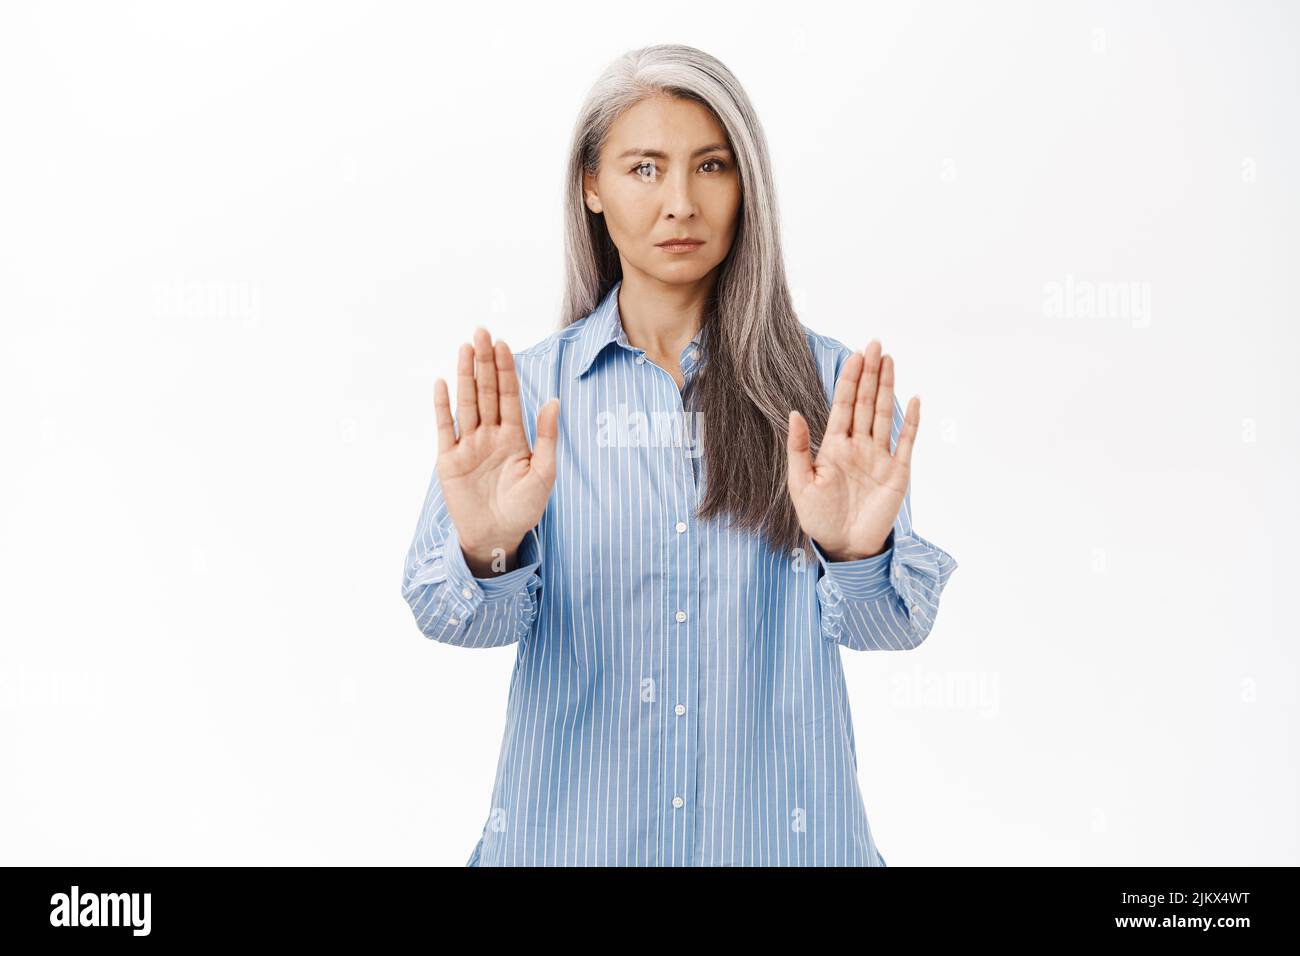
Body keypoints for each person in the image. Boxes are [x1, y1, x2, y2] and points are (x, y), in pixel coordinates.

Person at [400, 43, 958, 866]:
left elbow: (889, 627)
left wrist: (855, 550)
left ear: (748, 187)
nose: (682, 204)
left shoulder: (825, 389)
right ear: (591, 186)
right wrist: (490, 549)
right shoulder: (524, 401)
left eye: (711, 166)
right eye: (645, 169)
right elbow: (451, 617)